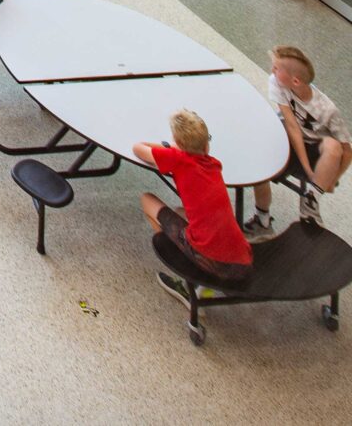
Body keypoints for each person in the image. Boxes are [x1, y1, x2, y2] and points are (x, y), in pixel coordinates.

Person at [136, 109, 254, 291]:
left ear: (179, 143)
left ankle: (185, 276)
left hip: (211, 261)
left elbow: (138, 147)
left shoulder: (178, 158)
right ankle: (198, 274)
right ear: (206, 145)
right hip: (243, 262)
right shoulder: (214, 164)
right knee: (179, 212)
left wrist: (171, 147)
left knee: (147, 199)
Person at [247, 45, 351, 234]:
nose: (272, 71)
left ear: (295, 81)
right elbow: (293, 127)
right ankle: (262, 220)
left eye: (277, 68)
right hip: (291, 138)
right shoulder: (276, 82)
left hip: (316, 149)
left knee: (333, 145)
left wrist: (331, 181)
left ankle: (311, 197)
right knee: (261, 165)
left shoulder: (328, 110)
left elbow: (347, 150)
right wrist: (306, 168)